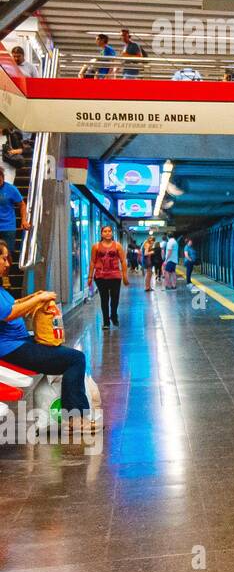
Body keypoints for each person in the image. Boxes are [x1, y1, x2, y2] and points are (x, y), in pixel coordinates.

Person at [0, 241, 91, 418]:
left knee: (69, 355)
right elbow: (9, 313)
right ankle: (76, 418)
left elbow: (13, 305)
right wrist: (39, 297)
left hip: (19, 343)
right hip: (11, 349)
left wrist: (35, 299)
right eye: (3, 259)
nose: (7, 263)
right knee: (75, 359)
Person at [88, 225, 128, 329]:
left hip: (115, 276)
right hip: (100, 277)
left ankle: (113, 315)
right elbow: (92, 262)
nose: (107, 233)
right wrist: (90, 277)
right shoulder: (96, 246)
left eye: (109, 231)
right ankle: (106, 322)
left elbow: (123, 261)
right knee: (104, 299)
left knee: (115, 299)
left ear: (112, 233)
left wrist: (124, 275)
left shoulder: (117, 246)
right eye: (105, 231)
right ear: (101, 234)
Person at [0, 167, 29, 266]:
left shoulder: (11, 189)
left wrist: (23, 220)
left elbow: (22, 205)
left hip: (8, 227)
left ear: (3, 178)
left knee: (7, 254)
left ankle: (6, 277)